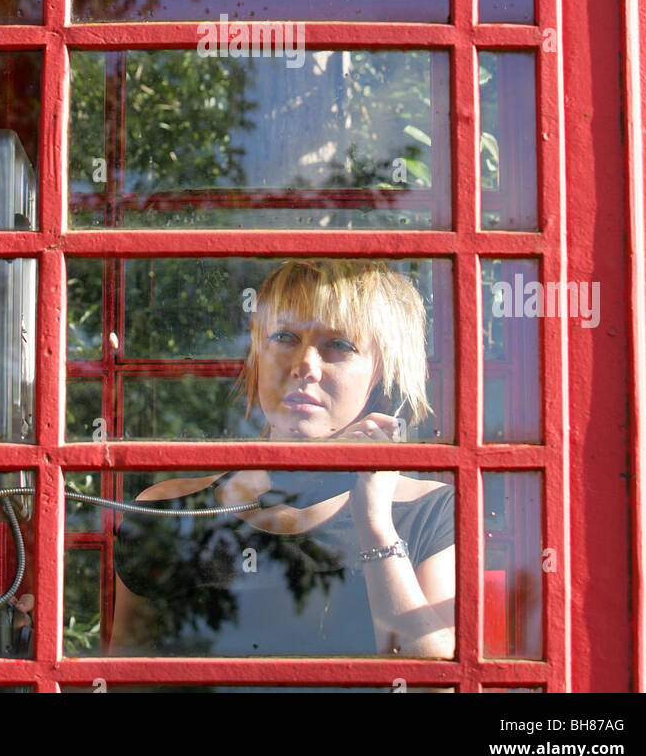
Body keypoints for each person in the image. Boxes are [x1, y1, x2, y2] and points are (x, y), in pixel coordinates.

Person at [110, 259, 455, 663]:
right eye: (285, 336)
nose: (304, 364)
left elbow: (431, 683)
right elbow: (125, 677)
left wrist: (376, 523)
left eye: (339, 344)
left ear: (383, 380)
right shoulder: (167, 509)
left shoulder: (428, 511)